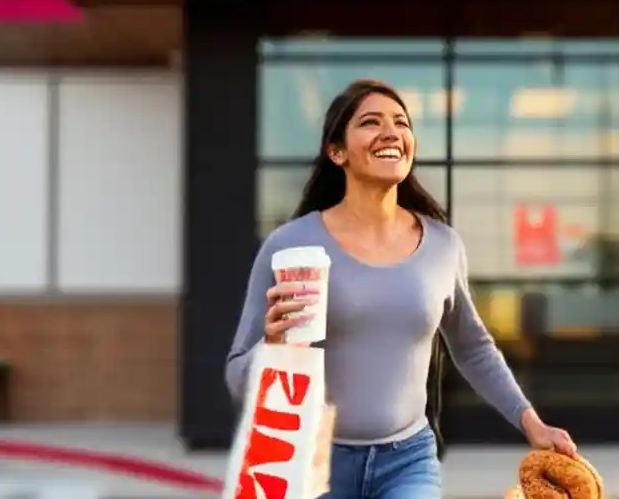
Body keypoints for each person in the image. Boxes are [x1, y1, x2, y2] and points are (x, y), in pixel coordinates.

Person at [226, 78, 577, 498]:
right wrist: (274, 347)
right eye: (371, 122)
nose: (391, 132)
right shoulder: (290, 246)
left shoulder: (443, 246)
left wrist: (532, 423)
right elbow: (237, 374)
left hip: (407, 460)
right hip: (312, 462)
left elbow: (473, 348)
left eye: (401, 122)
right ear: (337, 151)